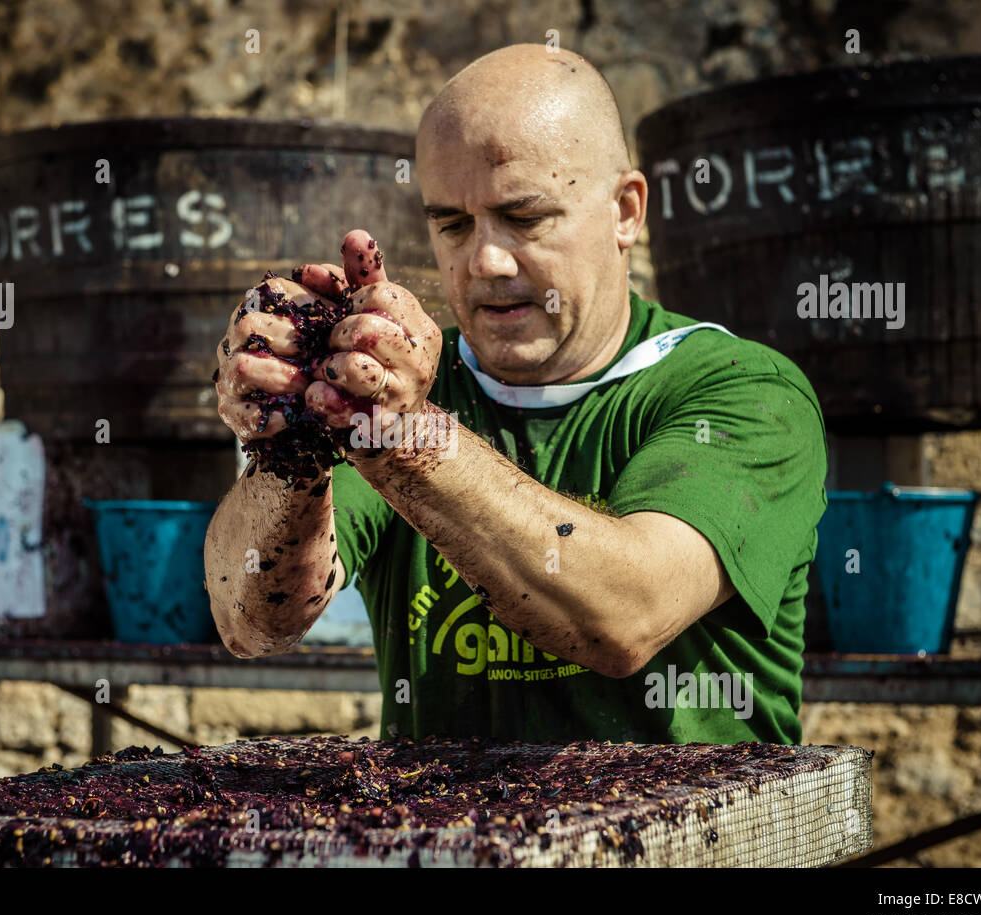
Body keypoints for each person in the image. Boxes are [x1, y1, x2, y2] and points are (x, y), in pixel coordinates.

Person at [204, 43, 829, 745]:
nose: (485, 261)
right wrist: (293, 445)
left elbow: (625, 617)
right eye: (452, 224)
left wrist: (401, 437)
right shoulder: (404, 381)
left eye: (525, 218)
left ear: (626, 211)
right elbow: (249, 619)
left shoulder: (744, 392)